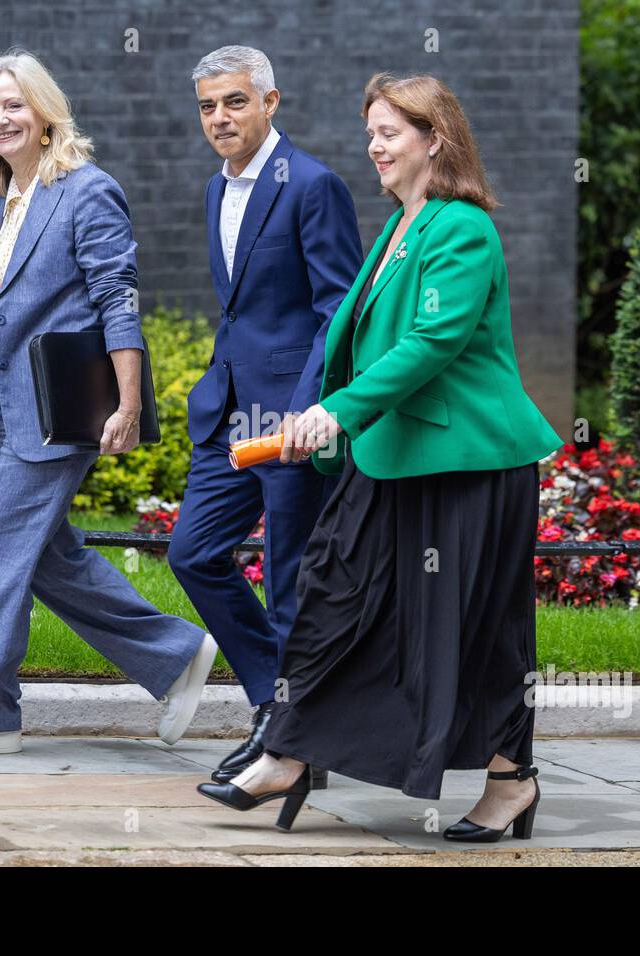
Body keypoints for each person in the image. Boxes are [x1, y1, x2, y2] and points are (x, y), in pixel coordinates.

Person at [197, 72, 563, 839]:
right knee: (331, 598)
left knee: (487, 629)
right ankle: (289, 754)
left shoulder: (461, 228)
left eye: (389, 132)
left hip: (467, 463)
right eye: (370, 133)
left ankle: (512, 782)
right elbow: (353, 337)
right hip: (388, 454)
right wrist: (316, 410)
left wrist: (335, 412)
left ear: (435, 137)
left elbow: (432, 343)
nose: (374, 147)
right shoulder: (401, 224)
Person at [0, 49, 217, 757]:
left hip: (59, 412)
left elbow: (117, 297)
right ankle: (174, 654)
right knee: (48, 558)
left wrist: (129, 404)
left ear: (46, 113)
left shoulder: (86, 191)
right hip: (9, 409)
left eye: (14, 104)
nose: (0, 117)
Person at [167, 46, 363, 786]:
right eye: (209, 106)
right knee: (193, 552)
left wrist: (307, 409)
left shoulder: (313, 185)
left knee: (288, 580)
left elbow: (336, 306)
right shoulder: (216, 190)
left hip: (288, 419)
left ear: (270, 102)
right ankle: (275, 707)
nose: (220, 117)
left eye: (235, 102)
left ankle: (288, 744)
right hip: (227, 415)